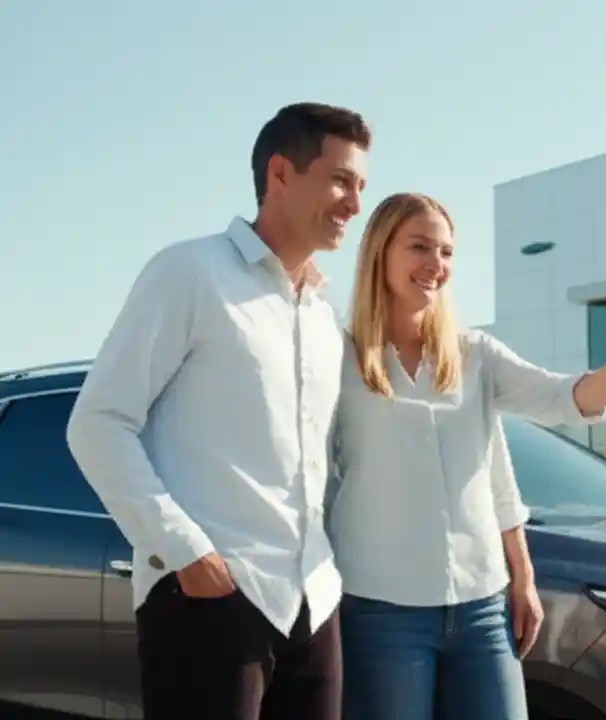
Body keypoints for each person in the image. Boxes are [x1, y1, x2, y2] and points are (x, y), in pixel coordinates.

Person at [324, 191, 606, 720]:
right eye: (419, 247)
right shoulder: (339, 359)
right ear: (380, 252)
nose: (436, 265)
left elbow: (555, 409)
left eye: (447, 252)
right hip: (381, 612)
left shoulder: (474, 355)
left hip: (481, 610)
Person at [65, 101, 371, 720]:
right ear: (280, 174)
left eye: (361, 185)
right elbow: (97, 423)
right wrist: (187, 554)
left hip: (312, 599)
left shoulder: (321, 315)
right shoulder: (189, 273)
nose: (355, 203)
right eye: (341, 180)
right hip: (210, 597)